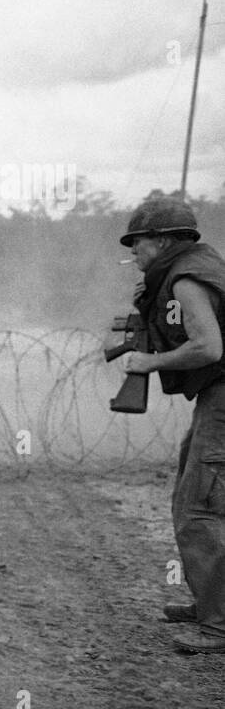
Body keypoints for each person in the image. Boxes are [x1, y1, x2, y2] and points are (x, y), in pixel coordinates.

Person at [119, 197, 225, 653]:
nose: (134, 254)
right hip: (215, 396)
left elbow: (209, 348)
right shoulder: (197, 268)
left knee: (198, 506)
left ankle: (219, 623)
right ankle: (211, 603)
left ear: (162, 241)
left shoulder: (185, 279)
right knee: (193, 483)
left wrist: (151, 360)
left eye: (137, 244)